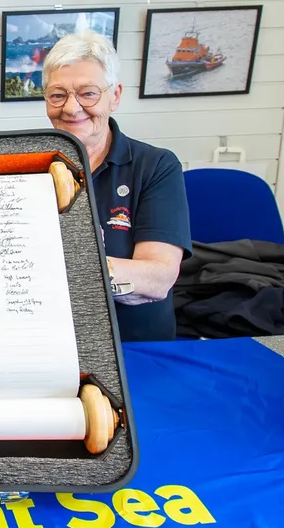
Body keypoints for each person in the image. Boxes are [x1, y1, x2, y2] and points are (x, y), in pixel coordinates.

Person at [41, 31, 191, 342]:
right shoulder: (27, 167)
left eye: (88, 93)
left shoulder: (156, 166)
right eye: (57, 95)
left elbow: (158, 278)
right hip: (53, 343)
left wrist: (59, 267)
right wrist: (117, 275)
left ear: (116, 96)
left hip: (136, 347)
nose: (71, 108)